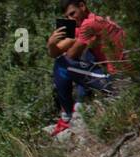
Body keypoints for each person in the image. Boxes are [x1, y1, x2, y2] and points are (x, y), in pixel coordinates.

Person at [47, 1, 127, 136]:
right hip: (122, 76)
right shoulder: (89, 23)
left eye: (73, 14)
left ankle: (67, 113)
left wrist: (59, 45)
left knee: (62, 64)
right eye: (68, 17)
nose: (71, 19)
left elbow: (70, 56)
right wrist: (51, 43)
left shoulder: (89, 25)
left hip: (120, 82)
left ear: (82, 6)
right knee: (83, 56)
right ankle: (80, 101)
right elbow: (55, 52)